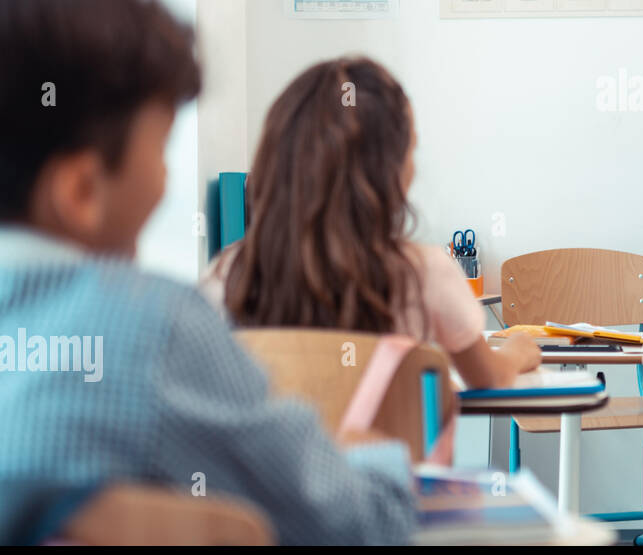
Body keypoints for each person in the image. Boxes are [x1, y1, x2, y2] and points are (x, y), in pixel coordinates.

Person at [0, 0, 414, 543]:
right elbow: (353, 526)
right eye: (162, 147)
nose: (167, 179)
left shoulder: (219, 278)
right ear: (82, 191)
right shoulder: (151, 328)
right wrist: (376, 462)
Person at [202, 56, 540, 388]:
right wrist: (518, 350)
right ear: (391, 174)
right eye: (411, 150)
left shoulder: (226, 277)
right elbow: (489, 378)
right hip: (388, 445)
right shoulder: (424, 273)